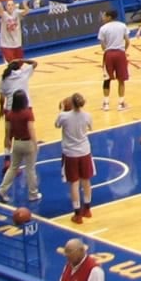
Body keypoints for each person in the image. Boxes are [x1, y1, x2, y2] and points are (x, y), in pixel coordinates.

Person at [56, 93, 94, 224]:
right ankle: (87, 209)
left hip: (71, 153)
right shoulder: (87, 116)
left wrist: (62, 109)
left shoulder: (64, 116)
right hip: (84, 151)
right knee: (86, 180)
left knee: (74, 183)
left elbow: (56, 125)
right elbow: (90, 127)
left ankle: (77, 214)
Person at [0, 91, 41, 203]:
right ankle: (33, 194)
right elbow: (31, 129)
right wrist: (35, 143)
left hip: (16, 142)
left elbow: (8, 130)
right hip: (28, 143)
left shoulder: (10, 114)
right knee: (30, 169)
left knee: (13, 167)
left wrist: (7, 140)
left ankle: (2, 189)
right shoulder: (28, 113)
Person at [98, 8, 129, 112]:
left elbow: (102, 45)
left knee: (107, 79)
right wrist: (123, 50)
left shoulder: (103, 28)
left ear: (109, 17)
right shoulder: (122, 25)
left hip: (109, 54)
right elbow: (127, 41)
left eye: (104, 16)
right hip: (120, 53)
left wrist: (107, 51)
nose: (103, 18)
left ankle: (106, 104)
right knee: (121, 79)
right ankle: (121, 104)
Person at [0, 0, 23, 65]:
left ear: (14, 6)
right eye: (8, 5)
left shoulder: (17, 13)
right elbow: (1, 12)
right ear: (5, 7)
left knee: (20, 64)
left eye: (12, 5)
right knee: (12, 65)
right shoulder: (4, 14)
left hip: (17, 43)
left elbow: (26, 12)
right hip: (6, 45)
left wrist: (25, 5)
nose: (10, 7)